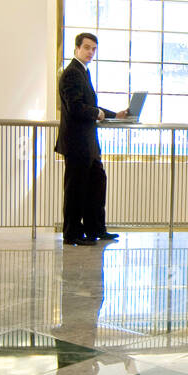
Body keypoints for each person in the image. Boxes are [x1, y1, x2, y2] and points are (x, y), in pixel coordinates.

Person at [54, 32, 128, 246]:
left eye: (93, 49)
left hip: (88, 144)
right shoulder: (71, 73)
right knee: (75, 189)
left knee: (96, 184)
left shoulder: (82, 72)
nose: (90, 52)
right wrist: (98, 113)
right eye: (86, 48)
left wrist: (115, 114)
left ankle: (95, 229)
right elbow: (76, 107)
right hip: (77, 144)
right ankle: (72, 234)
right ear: (76, 48)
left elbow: (89, 104)